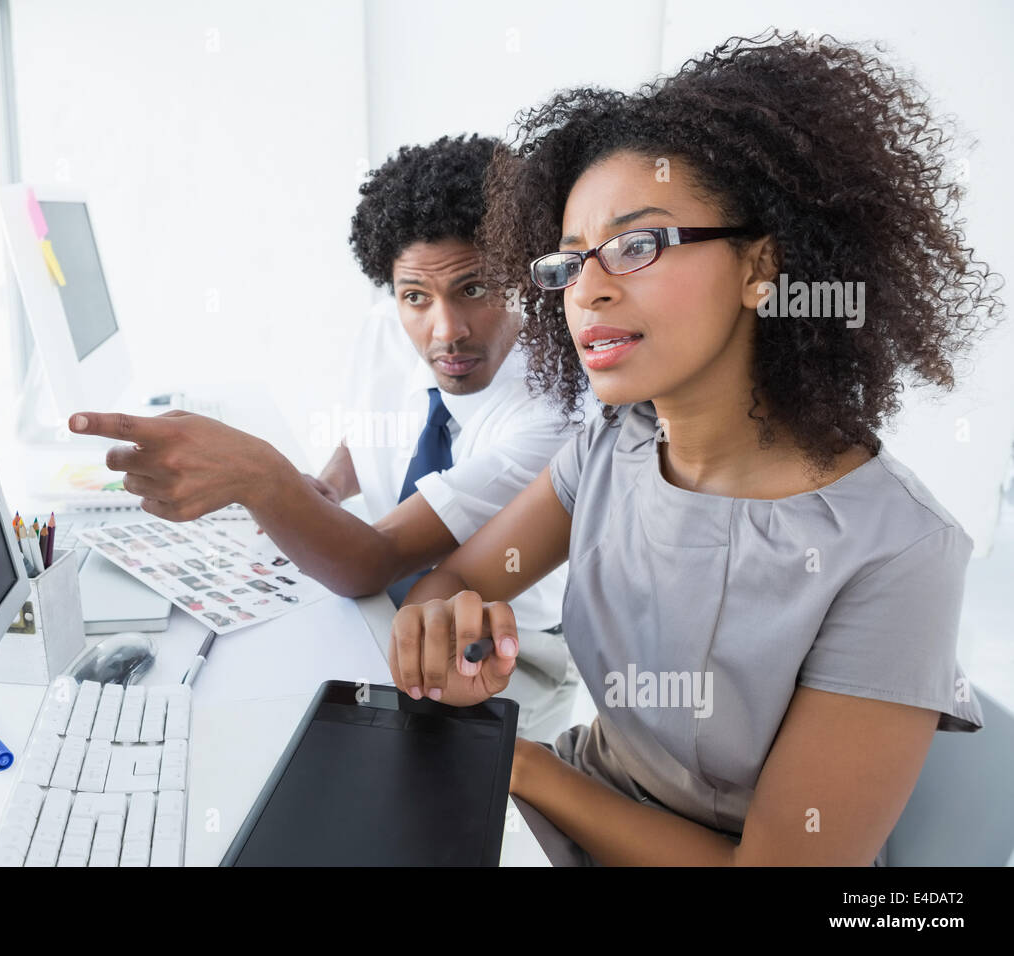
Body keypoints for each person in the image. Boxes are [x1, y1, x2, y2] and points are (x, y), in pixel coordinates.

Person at [385, 31, 1002, 867]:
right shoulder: (612, 444)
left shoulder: (897, 551)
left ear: (762, 267)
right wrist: (447, 631)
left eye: (639, 246)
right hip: (560, 807)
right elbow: (453, 582)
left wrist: (522, 765)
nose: (590, 289)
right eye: (570, 263)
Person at [71, 136, 597, 741]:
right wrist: (329, 483)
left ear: (519, 277)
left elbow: (372, 562)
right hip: (382, 616)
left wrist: (258, 476)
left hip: (501, 653)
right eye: (416, 297)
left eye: (474, 289)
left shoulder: (555, 413)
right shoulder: (388, 325)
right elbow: (376, 429)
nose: (445, 330)